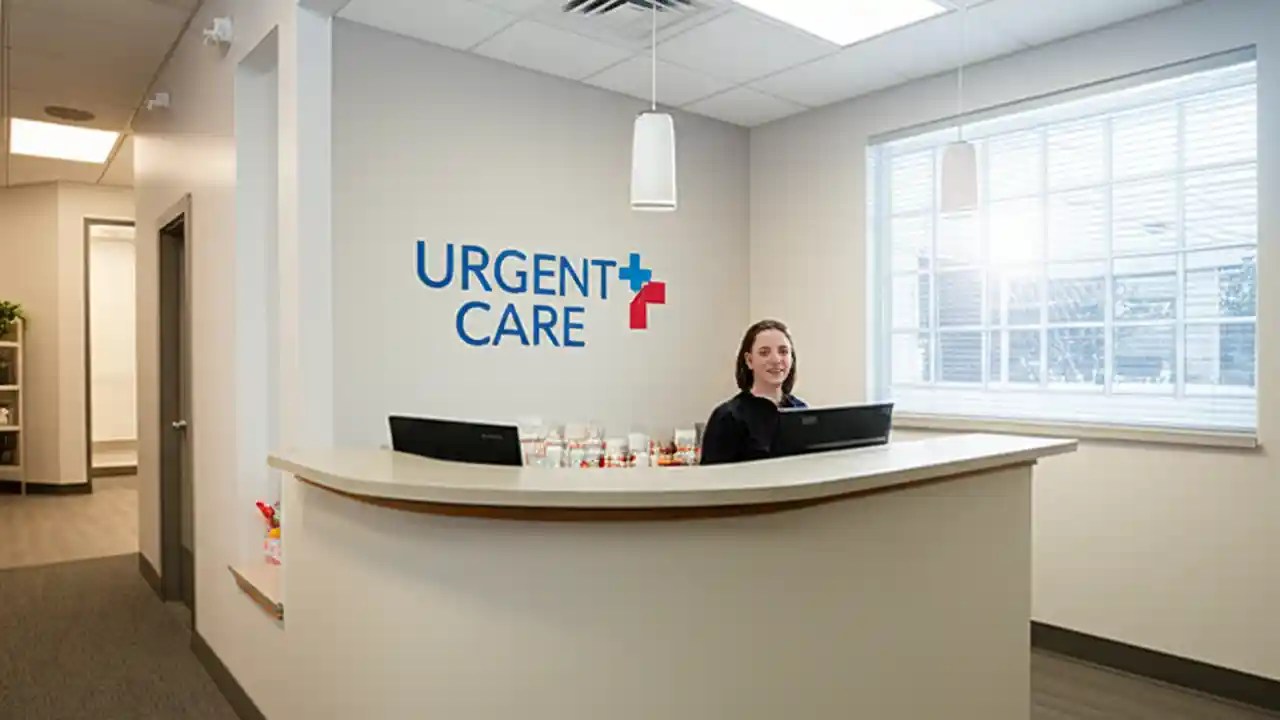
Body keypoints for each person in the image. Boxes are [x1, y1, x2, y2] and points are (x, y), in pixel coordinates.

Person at [699, 319, 807, 465]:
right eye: (764, 353)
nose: (776, 359)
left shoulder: (801, 411)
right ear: (749, 361)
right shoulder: (727, 417)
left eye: (783, 351)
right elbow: (713, 481)